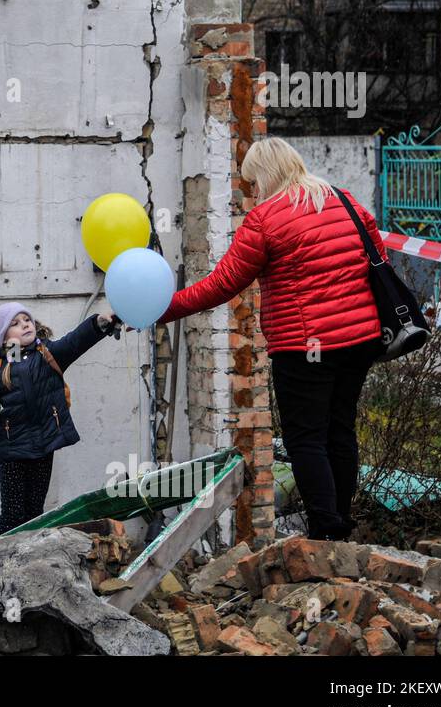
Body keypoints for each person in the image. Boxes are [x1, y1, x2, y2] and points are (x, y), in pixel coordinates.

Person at [159, 136, 387, 541]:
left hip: (305, 347)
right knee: (340, 431)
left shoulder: (266, 218)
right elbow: (379, 260)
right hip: (360, 340)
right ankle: (341, 524)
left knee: (306, 438)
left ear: (264, 175)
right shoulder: (345, 200)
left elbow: (221, 285)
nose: (252, 191)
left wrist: (164, 309)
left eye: (252, 182)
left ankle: (325, 530)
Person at [0, 302, 120, 535]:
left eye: (26, 320)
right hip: (12, 449)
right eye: (15, 323)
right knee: (12, 513)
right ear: (2, 335)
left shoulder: (47, 353)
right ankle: (0, 561)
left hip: (43, 445)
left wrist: (98, 324)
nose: (25, 325)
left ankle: (30, 558)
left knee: (35, 511)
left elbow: (75, 341)